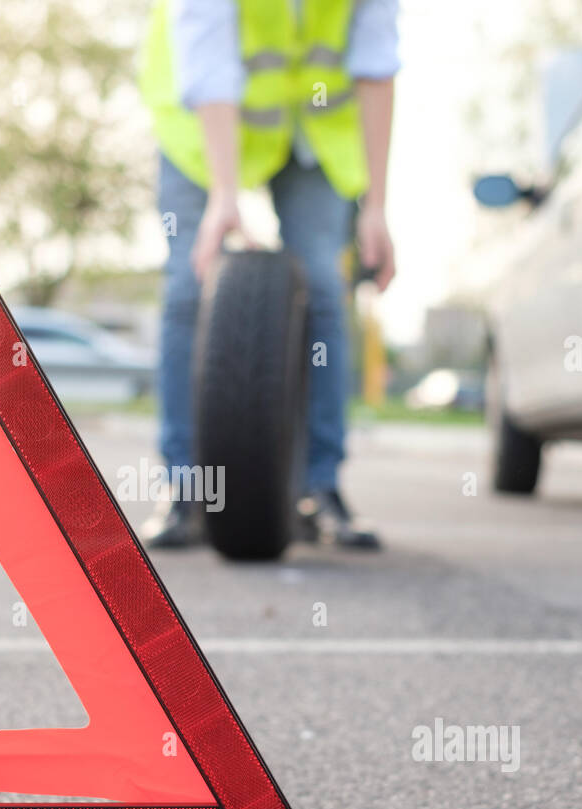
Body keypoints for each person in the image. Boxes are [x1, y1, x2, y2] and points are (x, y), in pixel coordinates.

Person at [138, 0, 399, 549]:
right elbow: (210, 61)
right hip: (199, 123)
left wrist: (376, 205)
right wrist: (225, 194)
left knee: (324, 291)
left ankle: (319, 487)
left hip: (312, 126)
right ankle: (186, 488)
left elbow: (374, 64)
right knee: (191, 286)